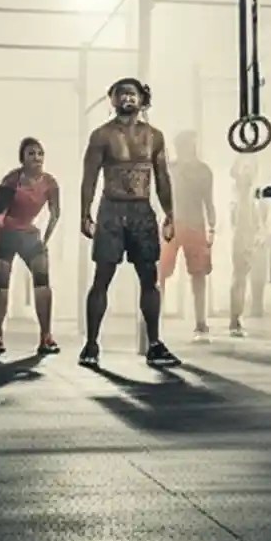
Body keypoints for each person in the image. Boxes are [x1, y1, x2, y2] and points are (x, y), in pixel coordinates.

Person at [79, 77, 181, 368]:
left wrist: (170, 214)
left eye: (132, 93)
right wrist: (85, 213)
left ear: (141, 98)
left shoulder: (155, 136)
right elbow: (89, 177)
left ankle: (155, 344)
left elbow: (162, 178)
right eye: (122, 93)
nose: (127, 98)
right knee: (102, 277)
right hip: (111, 210)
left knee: (149, 278)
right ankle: (91, 344)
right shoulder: (101, 136)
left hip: (141, 211)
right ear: (112, 99)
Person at [0, 137, 61, 355]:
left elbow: (55, 214)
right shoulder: (11, 181)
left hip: (30, 234)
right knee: (1, 280)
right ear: (23, 159)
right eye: (31, 154)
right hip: (7, 233)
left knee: (42, 280)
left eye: (40, 153)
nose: (37, 158)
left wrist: (45, 241)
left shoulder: (50, 182)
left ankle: (46, 336)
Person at [159, 130, 216, 342]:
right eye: (186, 145)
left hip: (195, 225)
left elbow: (208, 201)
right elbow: (159, 198)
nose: (190, 148)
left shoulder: (203, 171)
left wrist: (211, 227)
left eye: (192, 144)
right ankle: (155, 320)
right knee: (161, 274)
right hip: (172, 225)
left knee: (199, 274)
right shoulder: (169, 169)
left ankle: (201, 323)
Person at [229, 156, 269, 337]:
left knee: (250, 278)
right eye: (244, 167)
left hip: (253, 238)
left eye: (251, 167)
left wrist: (260, 234)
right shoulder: (235, 193)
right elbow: (233, 219)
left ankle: (241, 315)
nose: (248, 171)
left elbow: (261, 218)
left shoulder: (256, 194)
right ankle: (235, 318)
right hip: (240, 238)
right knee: (239, 279)